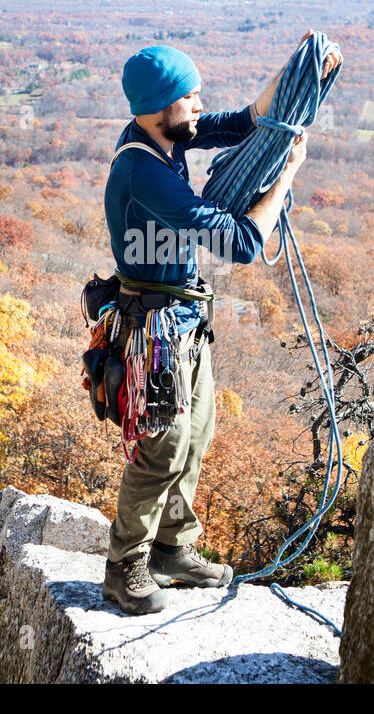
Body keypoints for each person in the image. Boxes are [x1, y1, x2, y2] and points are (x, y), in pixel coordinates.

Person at [101, 31, 340, 614]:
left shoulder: (163, 135)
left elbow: (240, 122)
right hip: (151, 328)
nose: (200, 107)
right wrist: (285, 177)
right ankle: (123, 565)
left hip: (182, 317)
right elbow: (236, 242)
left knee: (198, 432)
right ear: (162, 108)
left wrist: (293, 75)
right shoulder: (144, 170)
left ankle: (172, 548)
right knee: (162, 445)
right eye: (192, 97)